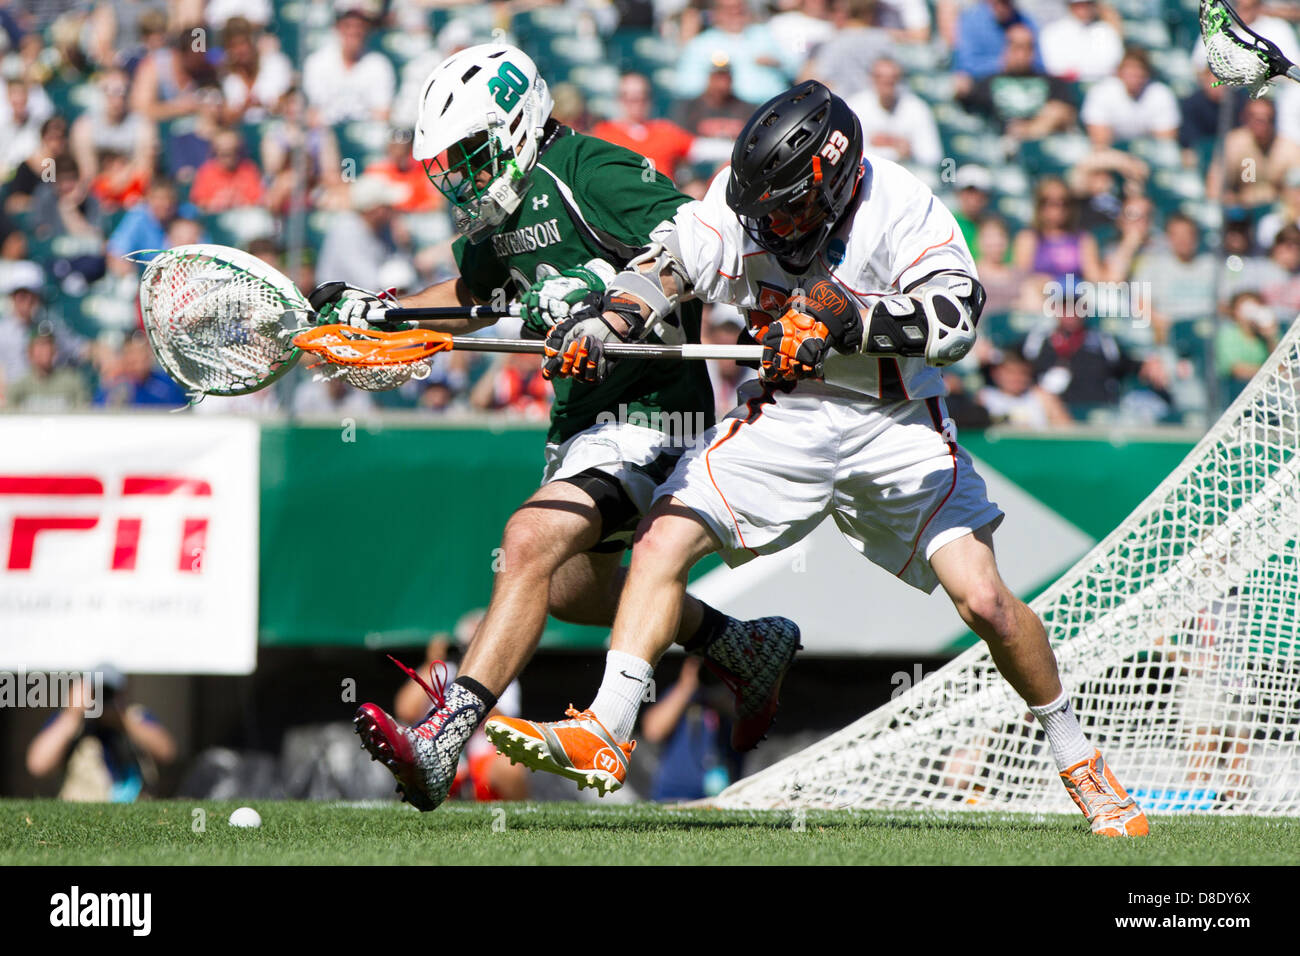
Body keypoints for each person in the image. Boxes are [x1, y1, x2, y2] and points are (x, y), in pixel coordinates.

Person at [485, 80, 1149, 837]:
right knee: (661, 538)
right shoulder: (747, 200)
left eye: (790, 208)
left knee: (986, 602)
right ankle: (606, 728)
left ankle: (1078, 756)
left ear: (834, 179)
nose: (773, 223)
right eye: (763, 208)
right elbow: (673, 263)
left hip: (895, 418)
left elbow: (958, 320)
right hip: (787, 414)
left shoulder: (901, 204)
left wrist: (847, 318)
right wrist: (614, 316)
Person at [320, 44, 800, 812]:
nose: (465, 179)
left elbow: (697, 239)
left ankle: (444, 743)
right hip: (582, 424)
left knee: (527, 544)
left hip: (653, 413)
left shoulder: (591, 172)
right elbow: (474, 296)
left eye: (473, 156)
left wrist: (600, 285)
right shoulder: (499, 212)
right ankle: (742, 643)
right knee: (576, 591)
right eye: (452, 165)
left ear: (517, 126)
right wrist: (389, 311)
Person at [26, 666, 176, 802]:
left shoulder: (135, 716)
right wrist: (72, 715)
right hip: (80, 810)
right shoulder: (71, 719)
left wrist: (122, 720)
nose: (102, 699)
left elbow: (167, 752)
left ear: (123, 693)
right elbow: (37, 765)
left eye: (108, 692)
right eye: (97, 691)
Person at [591, 73, 695, 183]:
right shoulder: (603, 134)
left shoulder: (665, 130)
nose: (638, 103)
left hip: (663, 196)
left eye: (643, 96)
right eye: (630, 98)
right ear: (619, 99)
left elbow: (699, 149)